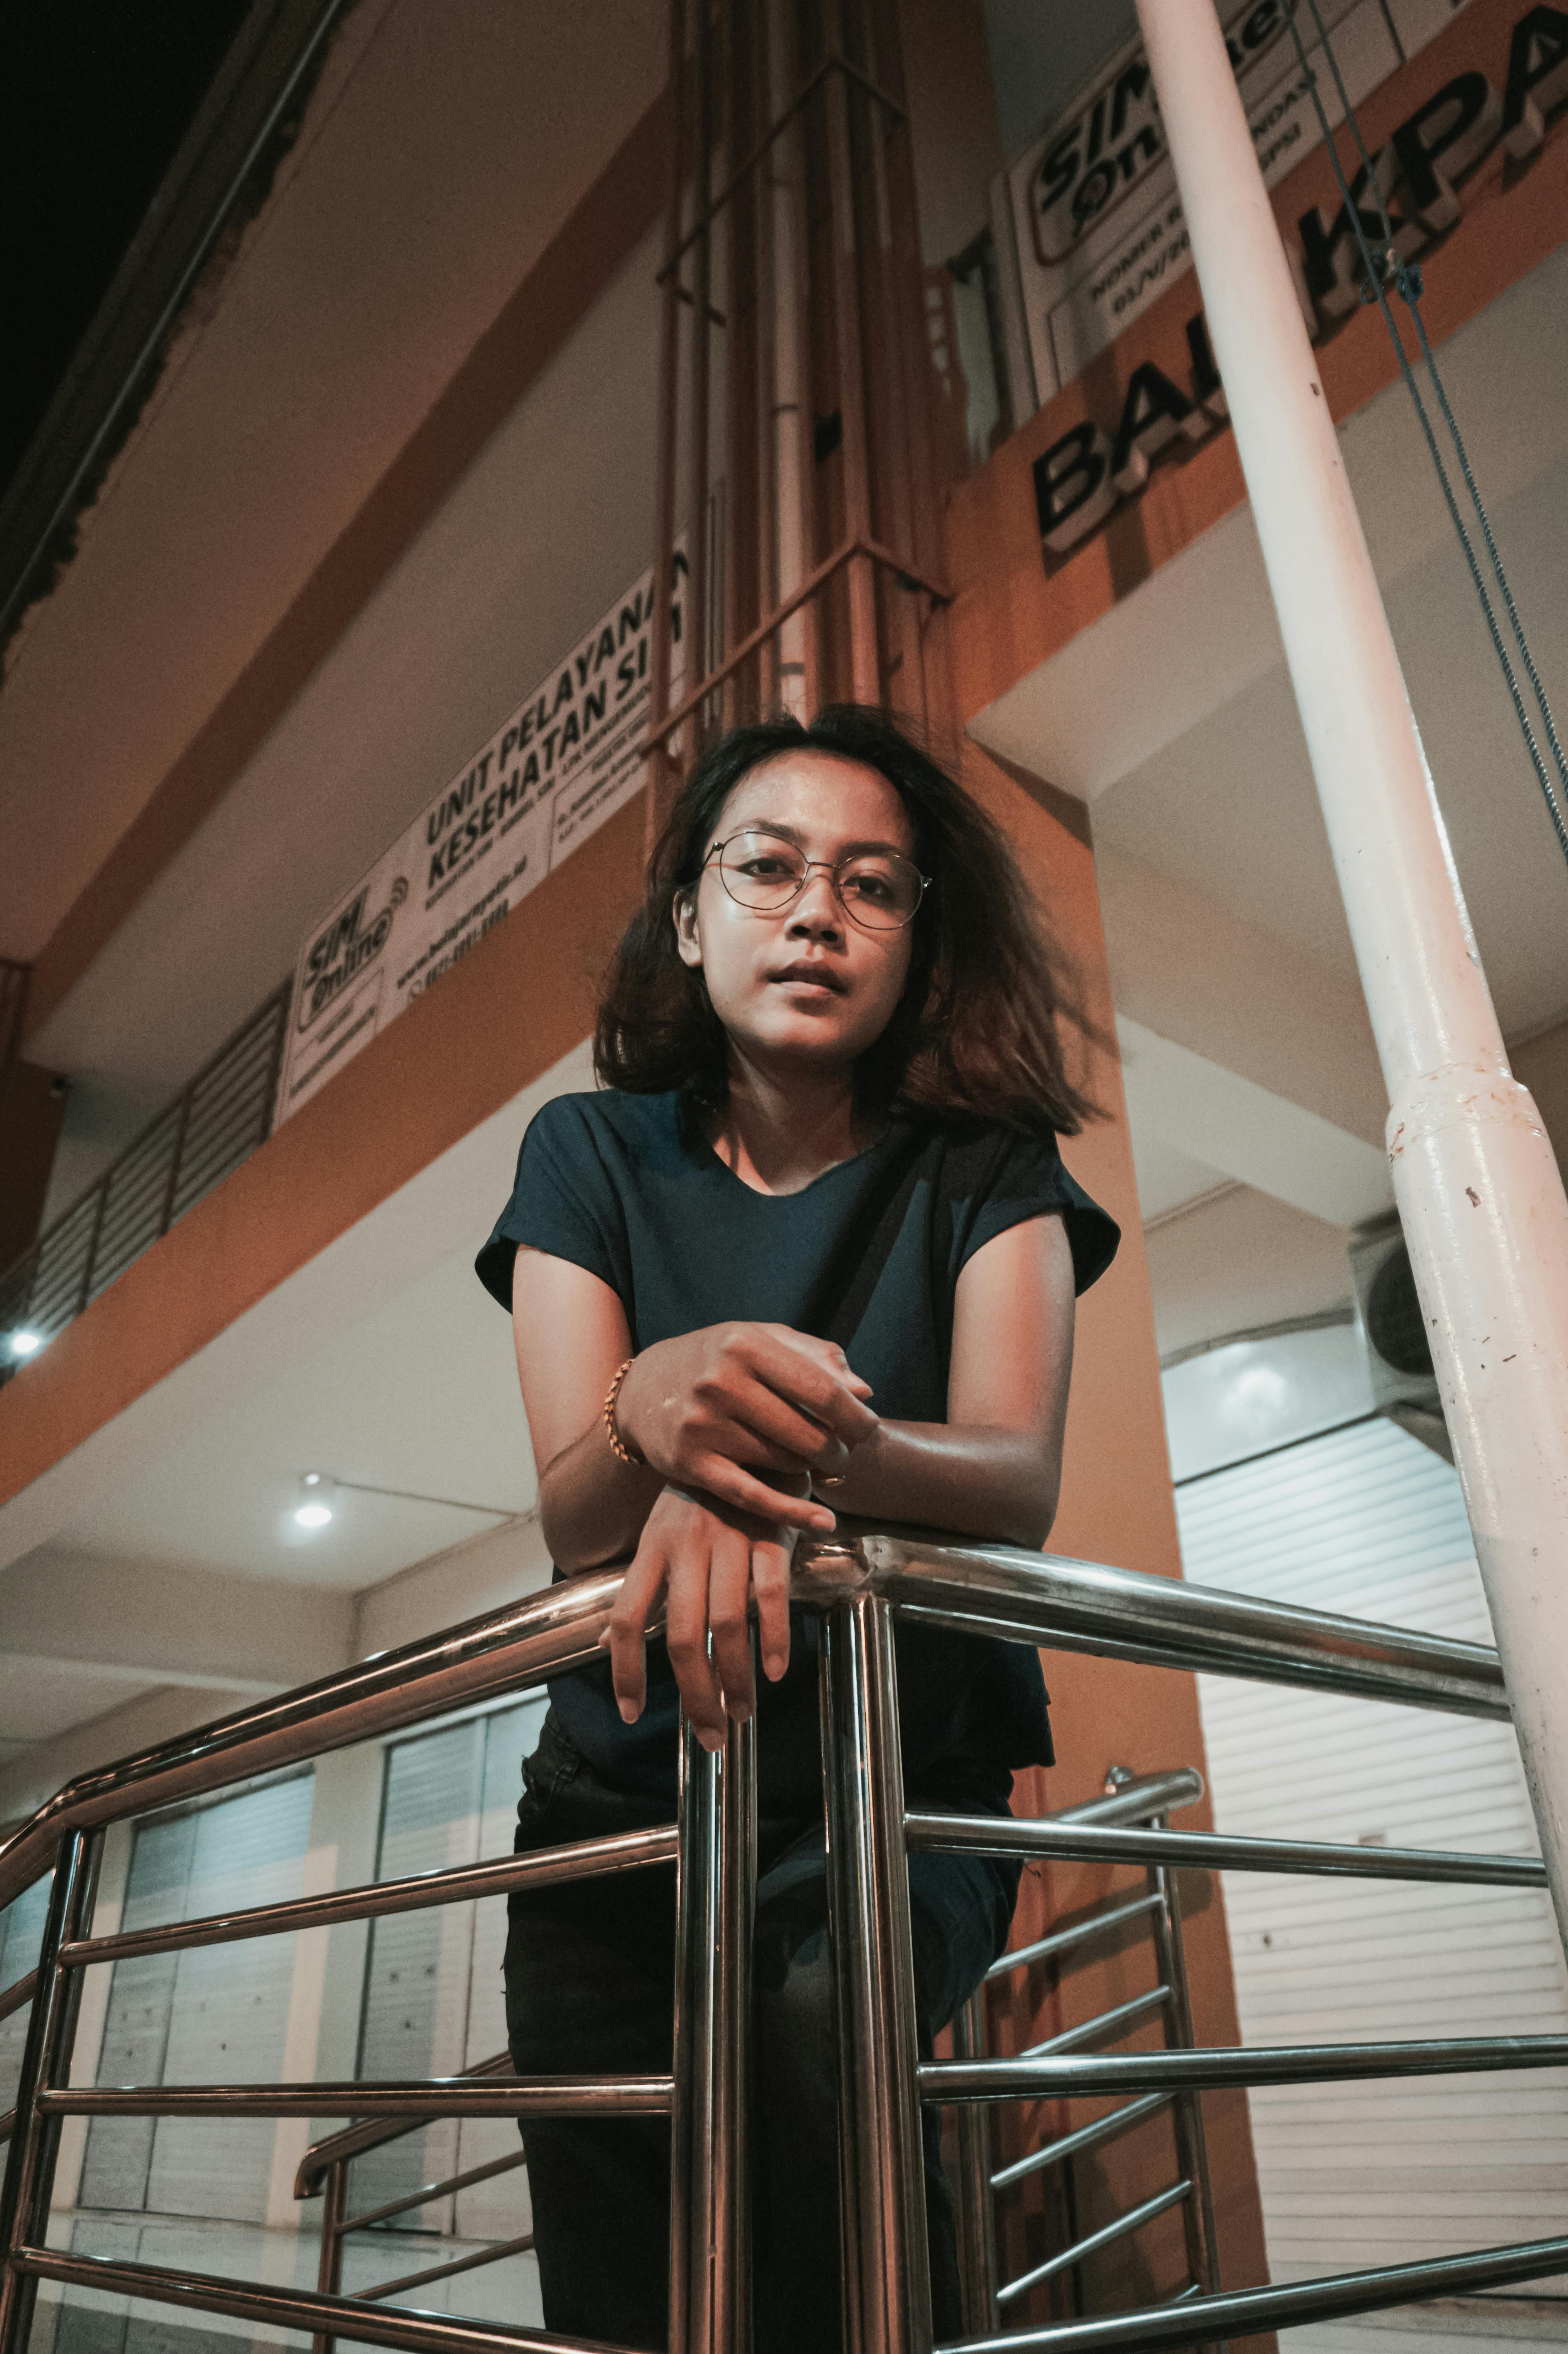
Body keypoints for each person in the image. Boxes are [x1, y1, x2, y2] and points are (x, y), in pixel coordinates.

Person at [474, 703, 1119, 2351]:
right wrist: (654, 1400)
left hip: (896, 1786)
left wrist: (718, 1436)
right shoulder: (586, 1148)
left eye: (873, 884)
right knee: (620, 2286)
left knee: (827, 2217)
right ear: (689, 919)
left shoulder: (990, 1166)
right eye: (764, 868)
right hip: (617, 1801)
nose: (816, 911)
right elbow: (572, 1506)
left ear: (919, 940)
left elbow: (1007, 1473)